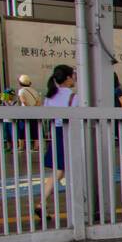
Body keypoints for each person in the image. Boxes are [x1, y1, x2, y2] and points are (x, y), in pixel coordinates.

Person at [39, 64, 78, 228]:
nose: (75, 78)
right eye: (74, 75)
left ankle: (42, 203)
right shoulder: (73, 97)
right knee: (64, 171)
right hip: (68, 134)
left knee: (59, 171)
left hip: (55, 132)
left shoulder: (49, 96)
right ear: (68, 78)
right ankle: (42, 203)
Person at [16, 73, 41, 149]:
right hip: (34, 113)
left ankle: (21, 146)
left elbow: (23, 101)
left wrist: (28, 108)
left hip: (24, 113)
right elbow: (38, 102)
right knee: (34, 129)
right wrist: (33, 109)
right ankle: (36, 146)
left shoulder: (21, 91)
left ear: (20, 83)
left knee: (21, 129)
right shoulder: (35, 91)